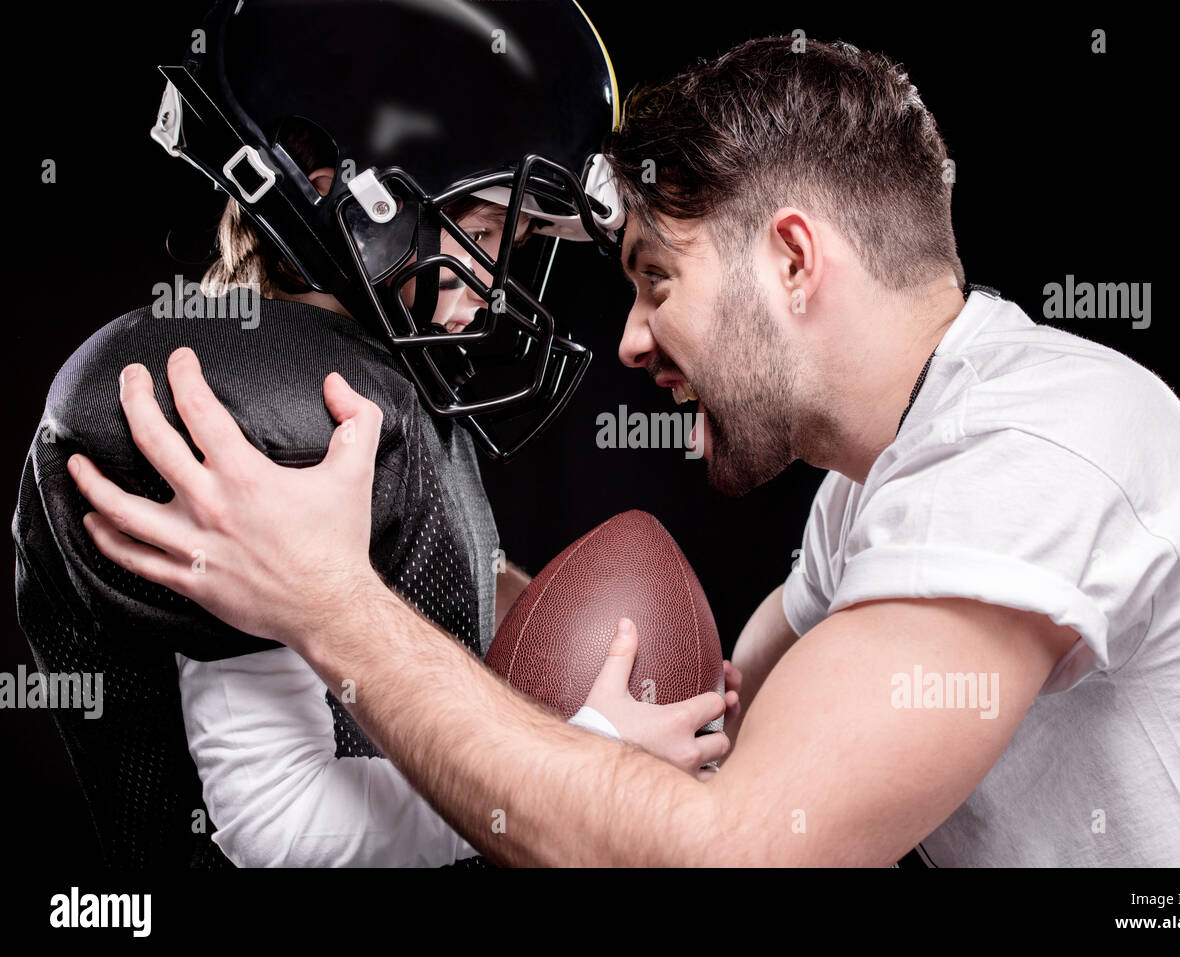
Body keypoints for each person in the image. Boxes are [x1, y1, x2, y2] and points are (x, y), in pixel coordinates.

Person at [66, 36, 1180, 865]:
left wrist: (330, 607)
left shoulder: (1031, 454)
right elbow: (700, 729)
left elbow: (730, 853)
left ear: (794, 261)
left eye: (656, 278)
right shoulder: (883, 492)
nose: (631, 338)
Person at [13, 0, 732, 868]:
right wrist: (586, 754)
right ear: (343, 197)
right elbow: (276, 826)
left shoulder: (367, 379)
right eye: (487, 231)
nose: (499, 282)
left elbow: (413, 603)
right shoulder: (256, 407)